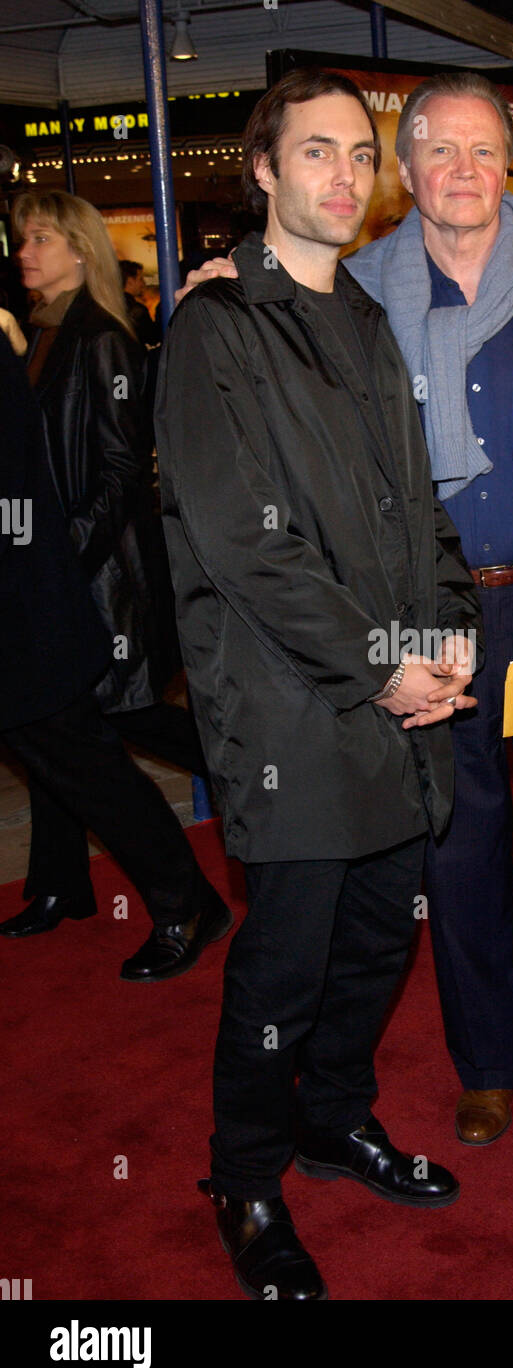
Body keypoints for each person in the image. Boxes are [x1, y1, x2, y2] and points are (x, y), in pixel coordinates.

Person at [180, 70, 513, 1172]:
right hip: (423, 636)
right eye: (435, 152)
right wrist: (220, 275)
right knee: (452, 868)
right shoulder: (352, 293)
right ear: (404, 174)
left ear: (512, 167)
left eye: (482, 152)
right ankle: (489, 1067)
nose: (461, 171)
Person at [155, 69, 482, 1301]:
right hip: (293, 718)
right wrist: (381, 667)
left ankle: (331, 1117)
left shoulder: (364, 320)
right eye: (315, 154)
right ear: (262, 169)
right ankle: (243, 1180)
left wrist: (449, 633)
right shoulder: (214, 328)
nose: (343, 177)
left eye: (360, 155)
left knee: (370, 952)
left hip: (397, 714)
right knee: (281, 976)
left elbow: (418, 511)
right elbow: (246, 546)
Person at [1, 191, 218, 984]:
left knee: (112, 725)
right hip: (58, 573)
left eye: (42, 238)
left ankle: (247, 771)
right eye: (22, 237)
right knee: (72, 734)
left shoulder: (99, 337)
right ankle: (62, 884)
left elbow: (122, 472)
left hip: (98, 577)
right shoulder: (40, 335)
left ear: (81, 249)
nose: (25, 251)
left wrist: (58, 560)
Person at [119, 259, 159, 347]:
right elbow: (153, 338)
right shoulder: (138, 310)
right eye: (140, 279)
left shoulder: (112, 306)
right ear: (130, 281)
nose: (143, 283)